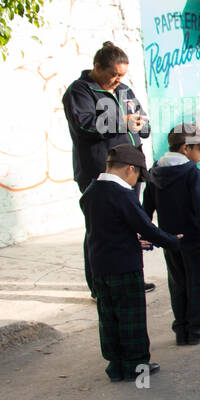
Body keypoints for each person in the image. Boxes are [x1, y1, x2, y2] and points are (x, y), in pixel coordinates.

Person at [79, 145, 181, 382]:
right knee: (131, 318)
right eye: (137, 176)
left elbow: (106, 228)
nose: (137, 182)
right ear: (130, 170)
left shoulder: (91, 192)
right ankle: (136, 366)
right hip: (125, 268)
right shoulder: (123, 194)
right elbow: (145, 227)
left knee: (108, 317)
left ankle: (115, 366)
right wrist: (172, 241)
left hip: (100, 267)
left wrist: (130, 239)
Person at [63, 41, 154, 293]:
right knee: (100, 227)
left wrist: (139, 123)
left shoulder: (124, 90)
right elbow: (85, 126)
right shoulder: (79, 92)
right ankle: (98, 285)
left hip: (130, 171)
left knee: (130, 223)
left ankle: (132, 275)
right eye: (113, 74)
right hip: (99, 171)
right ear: (96, 67)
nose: (117, 80)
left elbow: (143, 124)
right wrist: (122, 122)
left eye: (121, 75)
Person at [143, 123, 200, 346]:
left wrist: (148, 232)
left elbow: (147, 204)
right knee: (198, 283)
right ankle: (197, 329)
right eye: (199, 149)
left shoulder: (156, 170)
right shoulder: (191, 173)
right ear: (186, 148)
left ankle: (181, 329)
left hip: (169, 240)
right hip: (193, 239)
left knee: (177, 283)